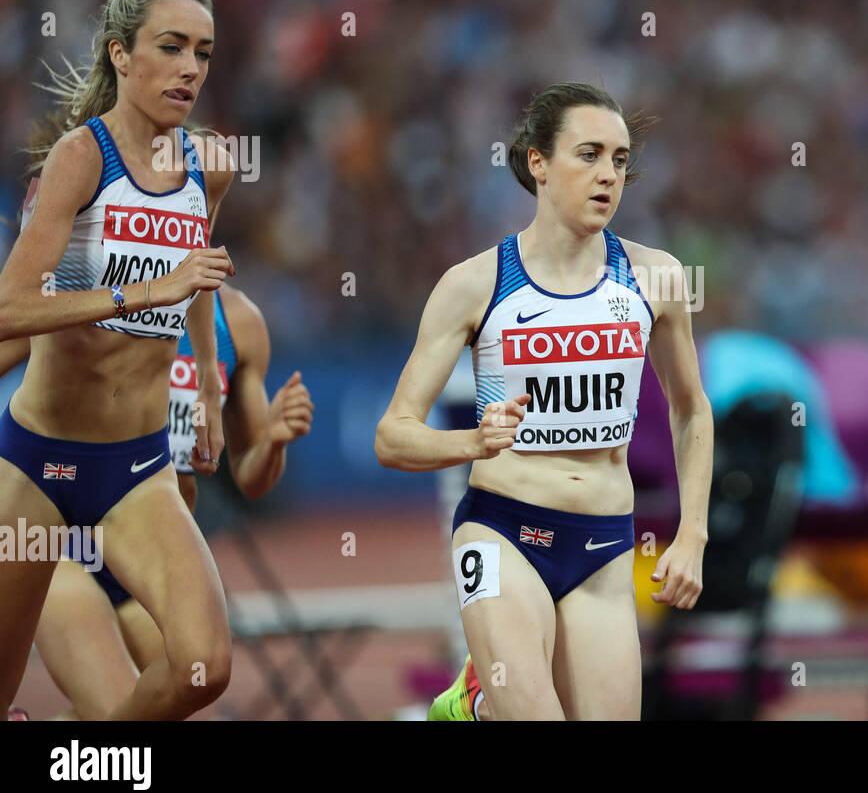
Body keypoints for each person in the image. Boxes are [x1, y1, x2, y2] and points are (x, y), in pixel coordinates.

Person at [377, 82, 713, 720]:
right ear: (537, 162)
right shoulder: (475, 284)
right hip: (503, 530)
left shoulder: (656, 277)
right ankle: (482, 701)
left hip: (604, 543)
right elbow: (393, 435)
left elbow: (691, 408)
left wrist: (692, 532)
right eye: (587, 155)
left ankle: (473, 710)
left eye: (619, 160)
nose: (608, 175)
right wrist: (473, 442)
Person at [0, 0, 238, 719]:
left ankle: (89, 765)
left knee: (204, 668)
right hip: (35, 464)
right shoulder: (80, 159)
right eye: (170, 48)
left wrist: (206, 374)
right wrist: (137, 295)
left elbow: (198, 271)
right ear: (121, 56)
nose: (190, 69)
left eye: (202, 53)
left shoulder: (212, 163)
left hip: (137, 469)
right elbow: (10, 309)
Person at [0, 285, 312, 719]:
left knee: (174, 692)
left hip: (146, 553)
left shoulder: (237, 323)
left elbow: (252, 479)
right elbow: (13, 322)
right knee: (114, 720)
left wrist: (274, 441)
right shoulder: (97, 288)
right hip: (66, 549)